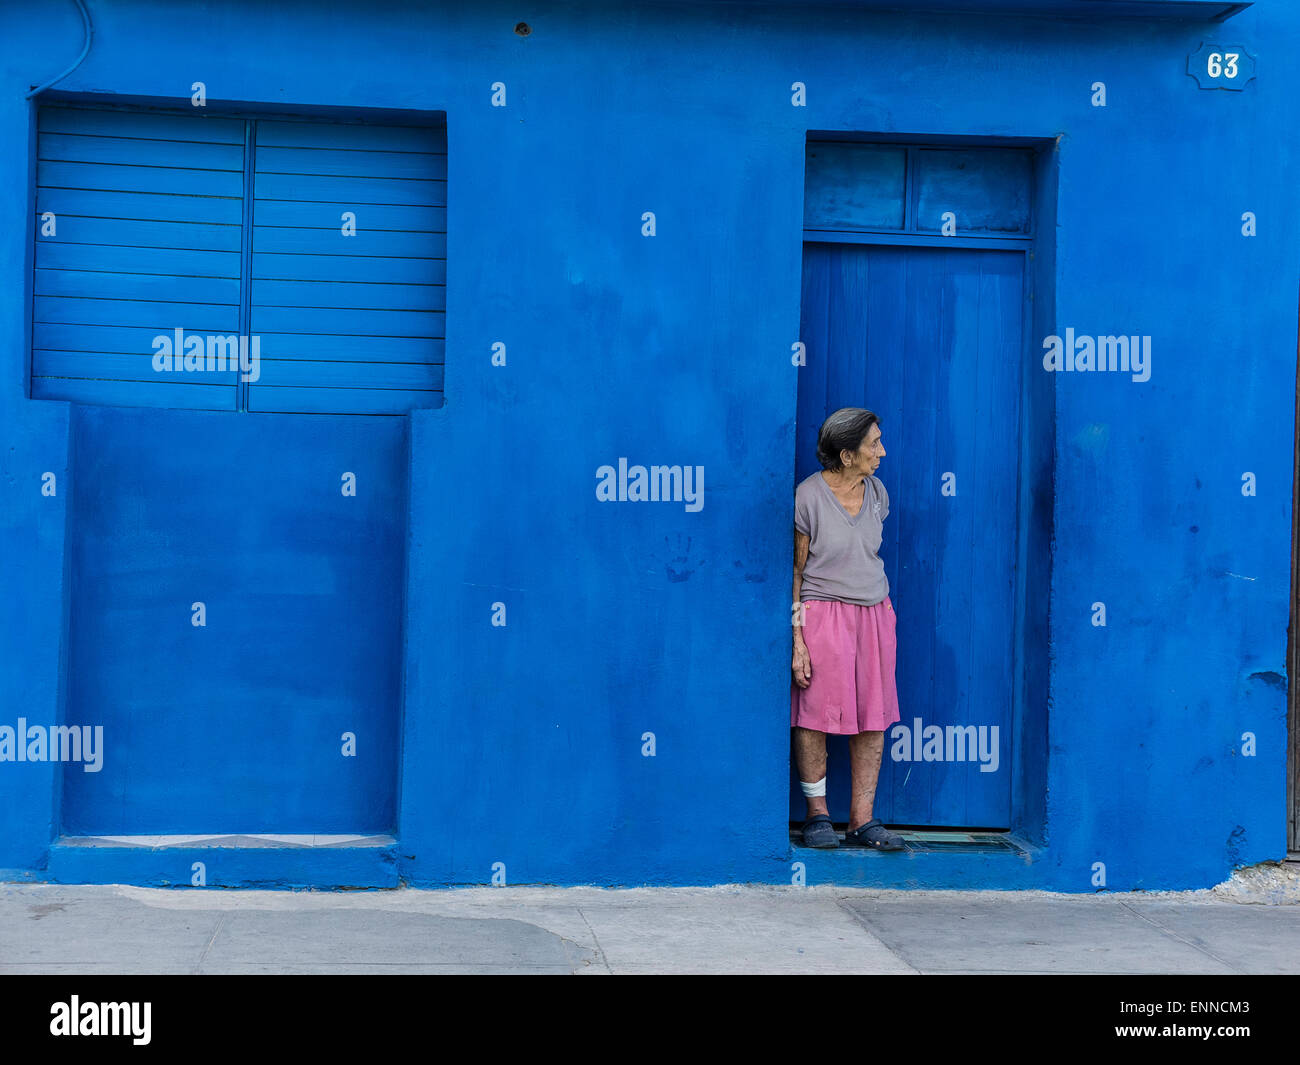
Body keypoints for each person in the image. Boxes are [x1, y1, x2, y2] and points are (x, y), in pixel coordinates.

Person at [791, 407, 904, 850]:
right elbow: (796, 573)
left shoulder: (877, 493)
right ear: (845, 454)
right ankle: (816, 815)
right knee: (814, 715)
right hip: (823, 612)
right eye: (873, 444)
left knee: (872, 717)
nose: (882, 452)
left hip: (875, 613)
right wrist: (798, 640)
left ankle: (862, 820)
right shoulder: (808, 498)